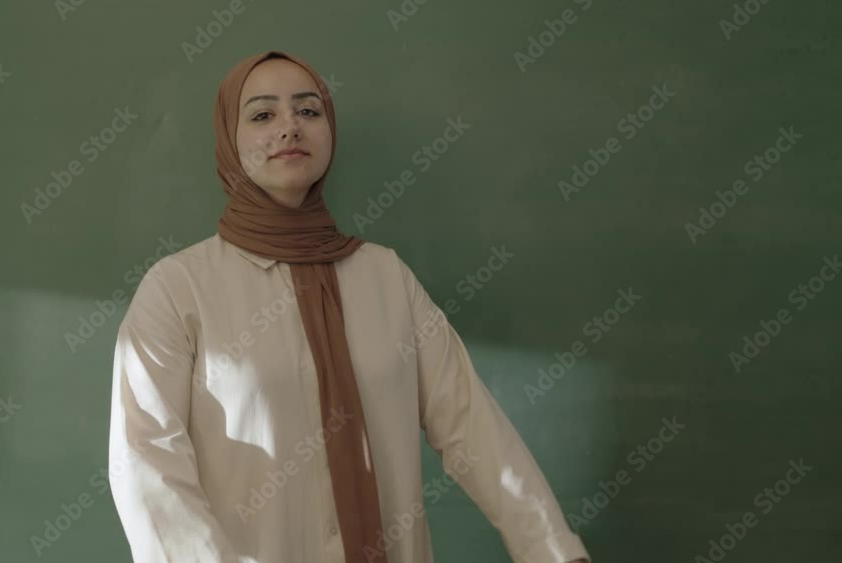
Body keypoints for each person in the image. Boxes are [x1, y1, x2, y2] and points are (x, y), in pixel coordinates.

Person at [108, 49, 591, 563]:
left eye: (309, 111)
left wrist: (550, 548)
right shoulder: (178, 288)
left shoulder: (386, 277)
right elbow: (145, 464)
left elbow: (473, 427)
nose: (290, 127)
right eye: (263, 114)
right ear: (230, 138)